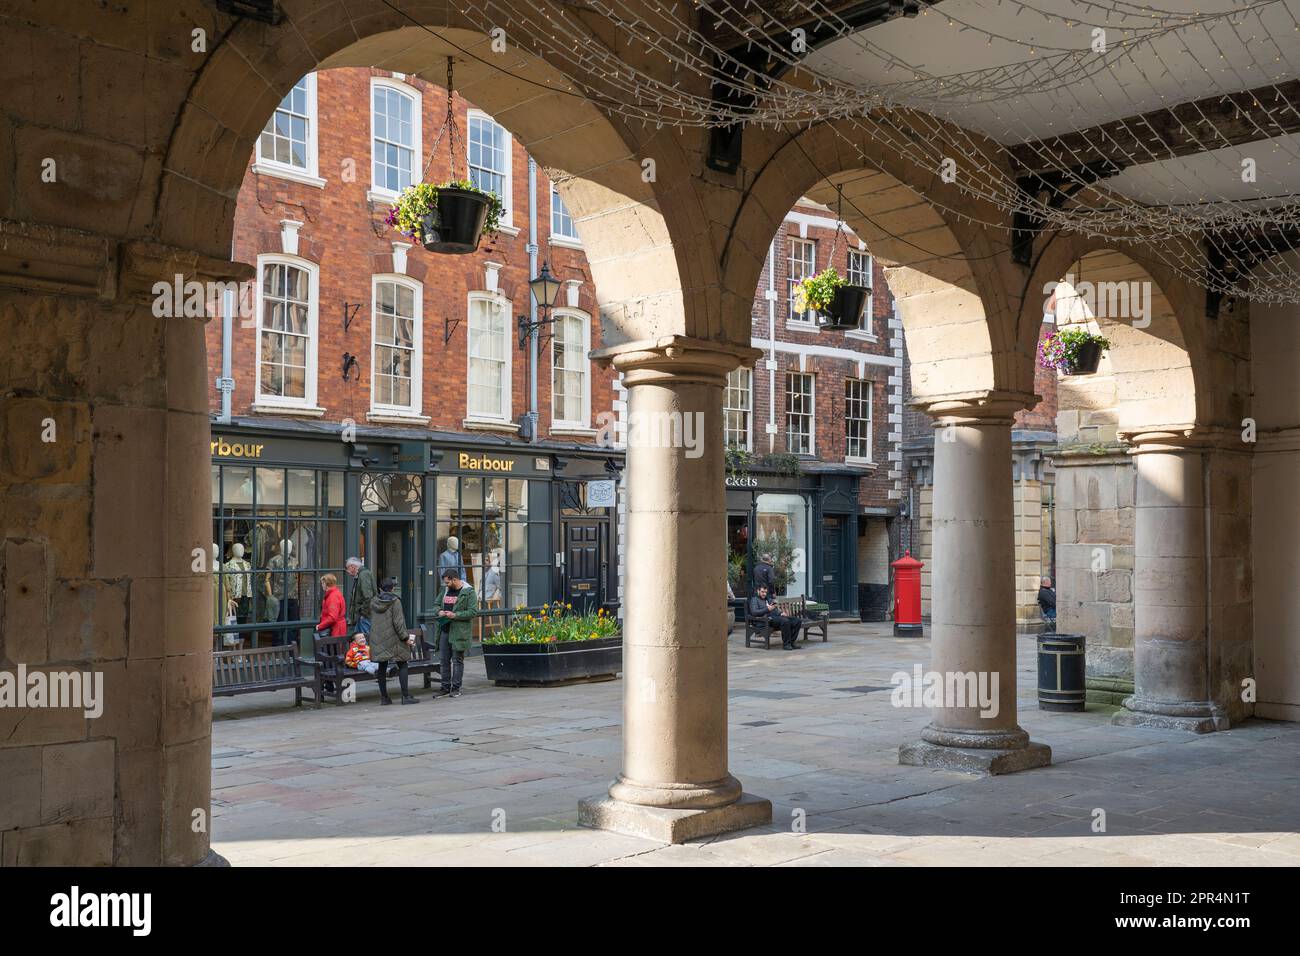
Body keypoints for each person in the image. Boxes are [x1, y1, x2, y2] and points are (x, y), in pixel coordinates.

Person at [369, 577, 419, 705]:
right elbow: (398, 623)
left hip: (378, 639)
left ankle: (384, 698)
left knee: (382, 666)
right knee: (402, 664)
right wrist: (406, 638)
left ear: (380, 588)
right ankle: (405, 696)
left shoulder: (374, 601)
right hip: (395, 639)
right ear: (393, 588)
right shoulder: (395, 601)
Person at [434, 569, 478, 698]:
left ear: (454, 579)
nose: (446, 585)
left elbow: (473, 612)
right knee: (443, 660)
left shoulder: (469, 592)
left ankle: (456, 688)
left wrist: (455, 615)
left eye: (447, 582)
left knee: (457, 660)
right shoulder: (445, 590)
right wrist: (439, 612)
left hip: (459, 632)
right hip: (444, 630)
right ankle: (445, 687)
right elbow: (436, 605)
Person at [748, 583, 799, 650]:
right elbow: (754, 612)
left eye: (765, 592)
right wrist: (767, 609)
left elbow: (774, 609)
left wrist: (781, 613)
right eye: (762, 592)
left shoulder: (768, 599)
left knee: (797, 621)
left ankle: (792, 642)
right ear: (758, 591)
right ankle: (786, 644)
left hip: (774, 618)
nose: (764, 594)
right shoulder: (754, 599)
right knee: (785, 621)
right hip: (765, 620)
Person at [345, 557, 376, 635]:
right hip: (362, 616)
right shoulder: (361, 575)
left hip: (365, 617)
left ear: (353, 567)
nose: (347, 571)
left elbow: (368, 597)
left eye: (347, 568)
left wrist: (363, 614)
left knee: (365, 641)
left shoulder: (363, 574)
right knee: (360, 641)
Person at [316, 573, 347, 637]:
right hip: (336, 628)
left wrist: (320, 626)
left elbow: (332, 617)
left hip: (335, 629)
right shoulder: (335, 593)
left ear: (326, 584)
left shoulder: (333, 596)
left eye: (322, 583)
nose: (322, 585)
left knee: (334, 646)